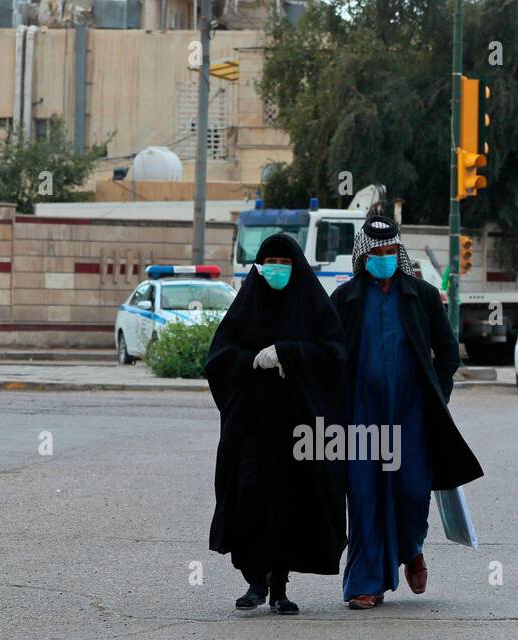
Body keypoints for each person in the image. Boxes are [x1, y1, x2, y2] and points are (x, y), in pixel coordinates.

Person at [330, 215, 483, 610]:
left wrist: (437, 396)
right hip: (361, 414)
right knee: (363, 496)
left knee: (412, 492)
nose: (383, 257)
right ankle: (367, 582)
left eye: (389, 251)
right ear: (363, 256)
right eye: (375, 252)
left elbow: (447, 354)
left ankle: (411, 548)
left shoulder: (423, 296)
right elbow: (329, 355)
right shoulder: (345, 299)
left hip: (411, 412)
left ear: (398, 253)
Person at [204, 233, 347, 614]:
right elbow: (219, 357)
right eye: (272, 262)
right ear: (260, 265)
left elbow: (334, 354)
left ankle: (280, 586)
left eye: (285, 263)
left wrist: (287, 352)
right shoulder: (247, 304)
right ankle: (255, 580)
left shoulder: (312, 305)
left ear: (296, 266)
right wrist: (252, 360)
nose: (278, 270)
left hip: (297, 425)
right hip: (250, 424)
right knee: (249, 495)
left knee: (290, 501)